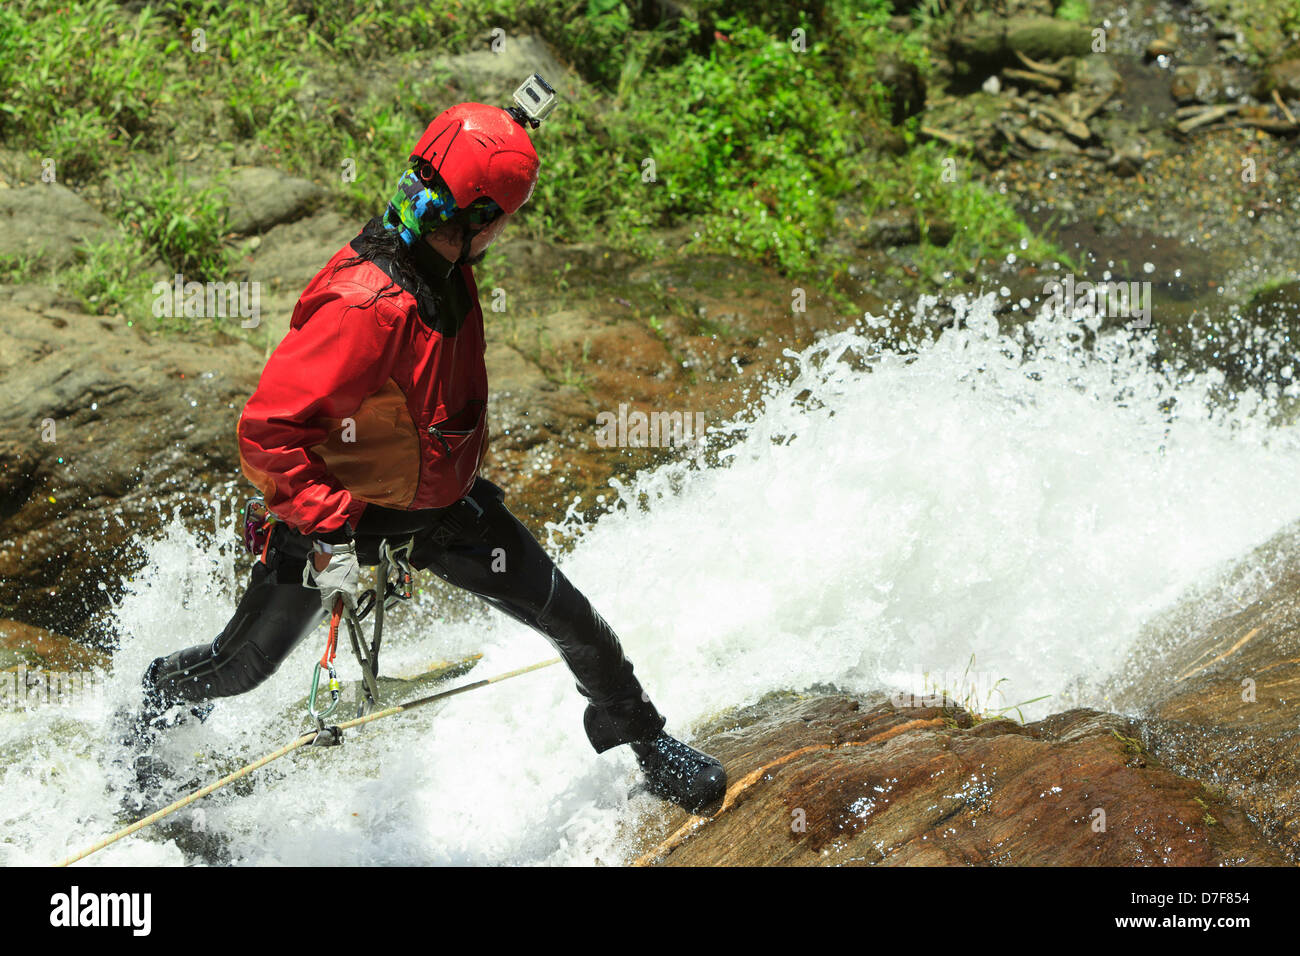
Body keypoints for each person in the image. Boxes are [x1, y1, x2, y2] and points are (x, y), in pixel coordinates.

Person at [122, 91, 726, 814]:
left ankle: (649, 746)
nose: (502, 235)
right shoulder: (365, 307)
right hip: (345, 517)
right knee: (243, 666)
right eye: (500, 221)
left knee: (575, 622)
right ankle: (151, 710)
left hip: (442, 509)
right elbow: (268, 432)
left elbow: (465, 158)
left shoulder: (439, 241)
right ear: (473, 221)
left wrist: (513, 124)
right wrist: (326, 529)